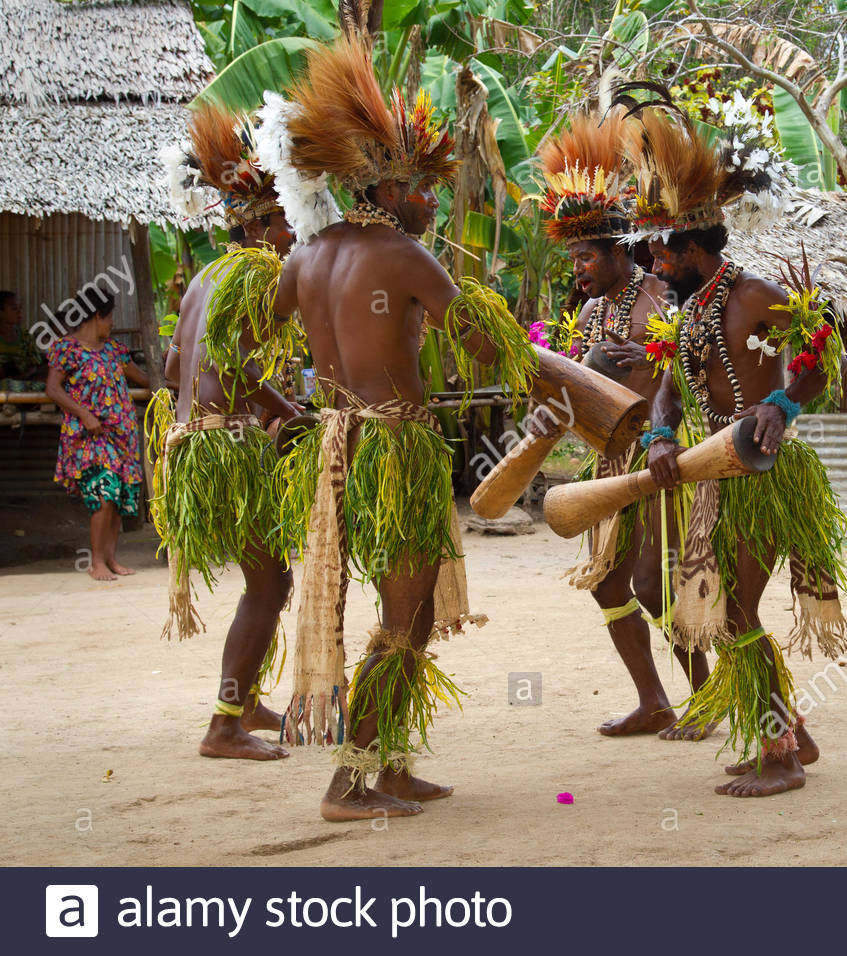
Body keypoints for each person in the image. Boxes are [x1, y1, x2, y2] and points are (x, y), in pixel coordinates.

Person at [259, 37, 539, 821]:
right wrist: (508, 329)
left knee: (404, 612)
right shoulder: (405, 253)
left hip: (335, 447)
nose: (430, 200)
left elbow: (260, 331)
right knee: (401, 613)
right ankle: (348, 783)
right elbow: (484, 345)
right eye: (422, 185)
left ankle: (392, 763)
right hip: (397, 449)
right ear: (386, 183)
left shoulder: (304, 259)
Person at [626, 99, 847, 797]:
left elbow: (822, 354)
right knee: (726, 609)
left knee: (732, 614)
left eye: (663, 252)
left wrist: (783, 404)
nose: (654, 263)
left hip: (766, 473)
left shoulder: (756, 296)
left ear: (697, 247)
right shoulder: (686, 310)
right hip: (716, 473)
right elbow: (666, 385)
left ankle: (778, 756)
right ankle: (792, 733)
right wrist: (662, 432)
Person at [530, 110, 712, 739]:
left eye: (586, 256)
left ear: (615, 250)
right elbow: (564, 394)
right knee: (607, 586)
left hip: (662, 456)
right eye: (574, 258)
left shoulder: (662, 294)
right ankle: (653, 701)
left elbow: (691, 372)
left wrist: (658, 365)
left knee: (655, 587)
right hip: (609, 460)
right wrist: (588, 364)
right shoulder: (585, 315)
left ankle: (709, 697)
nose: (578, 269)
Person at [149, 102, 305, 760]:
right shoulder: (258, 273)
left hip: (190, 443)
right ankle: (223, 725)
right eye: (288, 222)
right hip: (224, 449)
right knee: (270, 583)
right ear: (265, 223)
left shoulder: (206, 277)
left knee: (268, 580)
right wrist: (288, 411)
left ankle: (242, 702)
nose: (295, 234)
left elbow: (174, 366)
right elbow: (232, 367)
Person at [45, 286, 148, 581]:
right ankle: (96, 562)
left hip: (122, 435)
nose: (112, 323)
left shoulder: (115, 351)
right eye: (109, 316)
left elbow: (143, 378)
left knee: (118, 495)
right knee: (103, 491)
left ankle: (111, 559)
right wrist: (85, 414)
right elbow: (53, 389)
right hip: (89, 435)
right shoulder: (66, 349)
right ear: (96, 316)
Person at [0, 291, 42, 380]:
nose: (19, 312)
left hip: (22, 384)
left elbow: (35, 364)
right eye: (14, 308)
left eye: (20, 308)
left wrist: (23, 376)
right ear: (1, 312)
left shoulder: (26, 337)